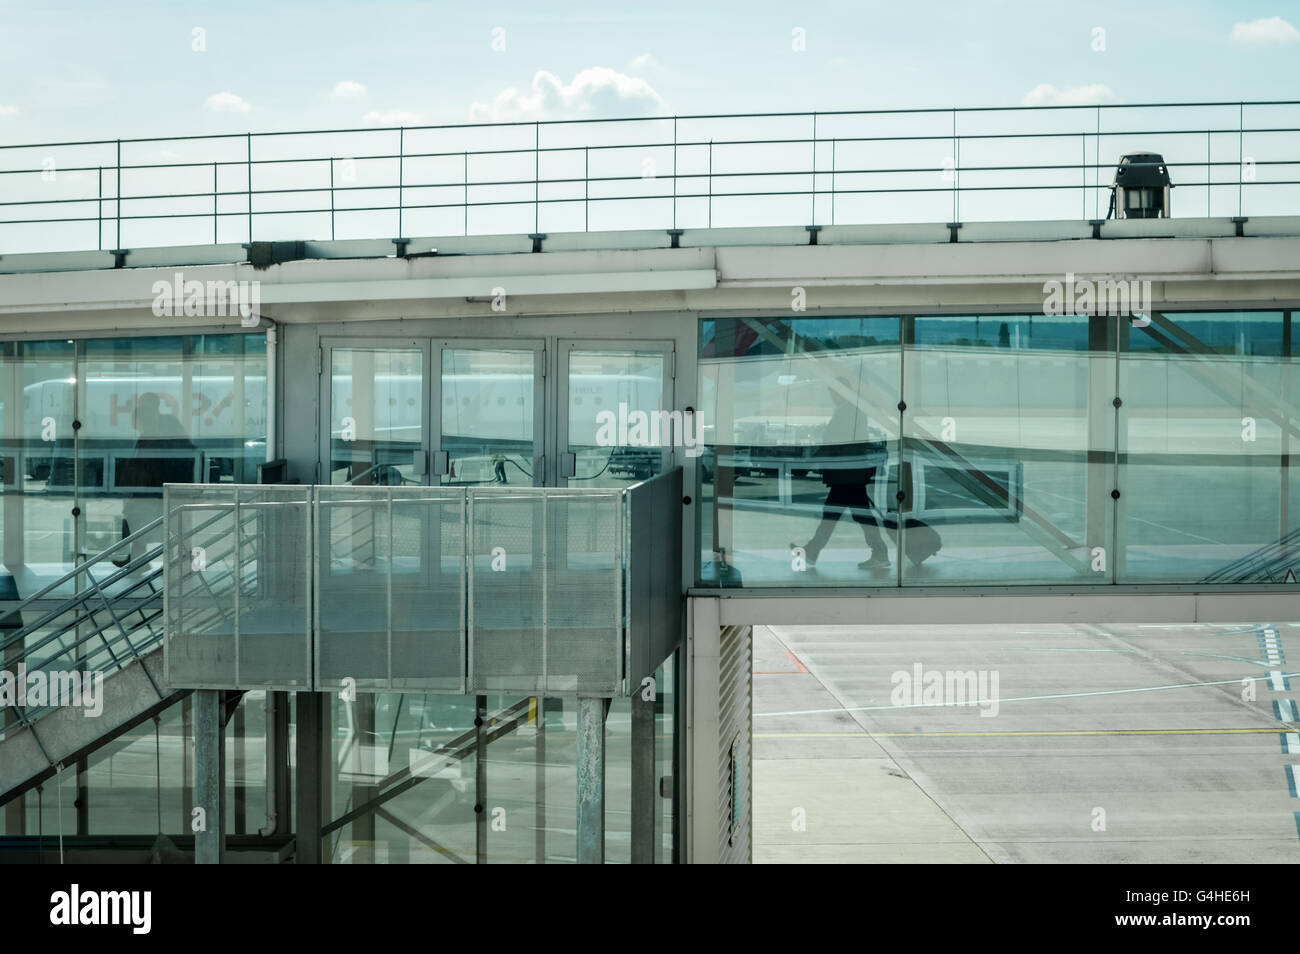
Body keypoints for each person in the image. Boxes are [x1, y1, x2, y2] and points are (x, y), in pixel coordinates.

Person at [792, 379, 891, 570]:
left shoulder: (848, 412)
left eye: (833, 392)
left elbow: (833, 445)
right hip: (849, 475)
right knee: (850, 515)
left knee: (841, 515)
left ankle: (813, 552)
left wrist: (808, 463)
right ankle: (813, 552)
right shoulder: (852, 410)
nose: (832, 396)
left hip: (847, 476)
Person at [112, 393, 195, 567]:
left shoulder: (160, 428)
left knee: (171, 522)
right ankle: (139, 556)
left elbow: (153, 459)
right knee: (143, 520)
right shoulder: (155, 429)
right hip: (157, 485)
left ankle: (180, 556)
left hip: (162, 485)